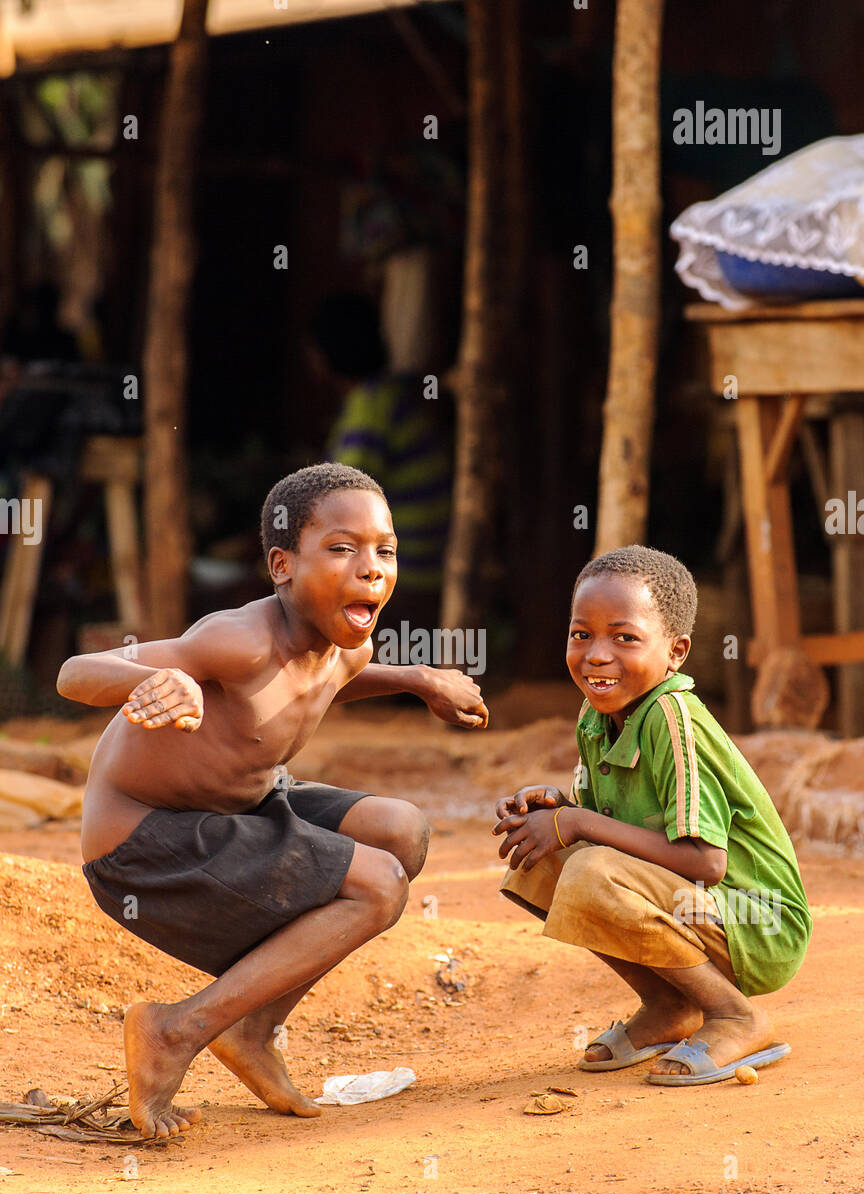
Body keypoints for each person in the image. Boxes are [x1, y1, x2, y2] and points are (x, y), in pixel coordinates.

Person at [57, 462, 488, 1137]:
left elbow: (328, 679)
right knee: (378, 886)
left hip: (244, 805)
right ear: (283, 565)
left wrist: (419, 680)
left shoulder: (346, 640)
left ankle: (253, 1029)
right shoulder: (237, 640)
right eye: (343, 549)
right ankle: (176, 1029)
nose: (372, 568)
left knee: (401, 832)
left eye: (385, 549)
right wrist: (158, 680)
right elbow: (75, 673)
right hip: (146, 839)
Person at [493, 545, 812, 1086]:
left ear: (676, 651)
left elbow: (706, 862)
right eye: (580, 634)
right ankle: (669, 1007)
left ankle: (737, 1015)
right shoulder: (598, 716)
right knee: (542, 860)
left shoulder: (673, 719)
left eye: (624, 637)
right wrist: (559, 808)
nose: (596, 654)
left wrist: (579, 824)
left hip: (759, 921)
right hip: (697, 907)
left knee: (588, 870)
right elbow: (604, 830)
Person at [309, 293, 452, 635]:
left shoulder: (370, 406)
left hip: (407, 575)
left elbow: (341, 499)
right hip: (432, 566)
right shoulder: (395, 393)